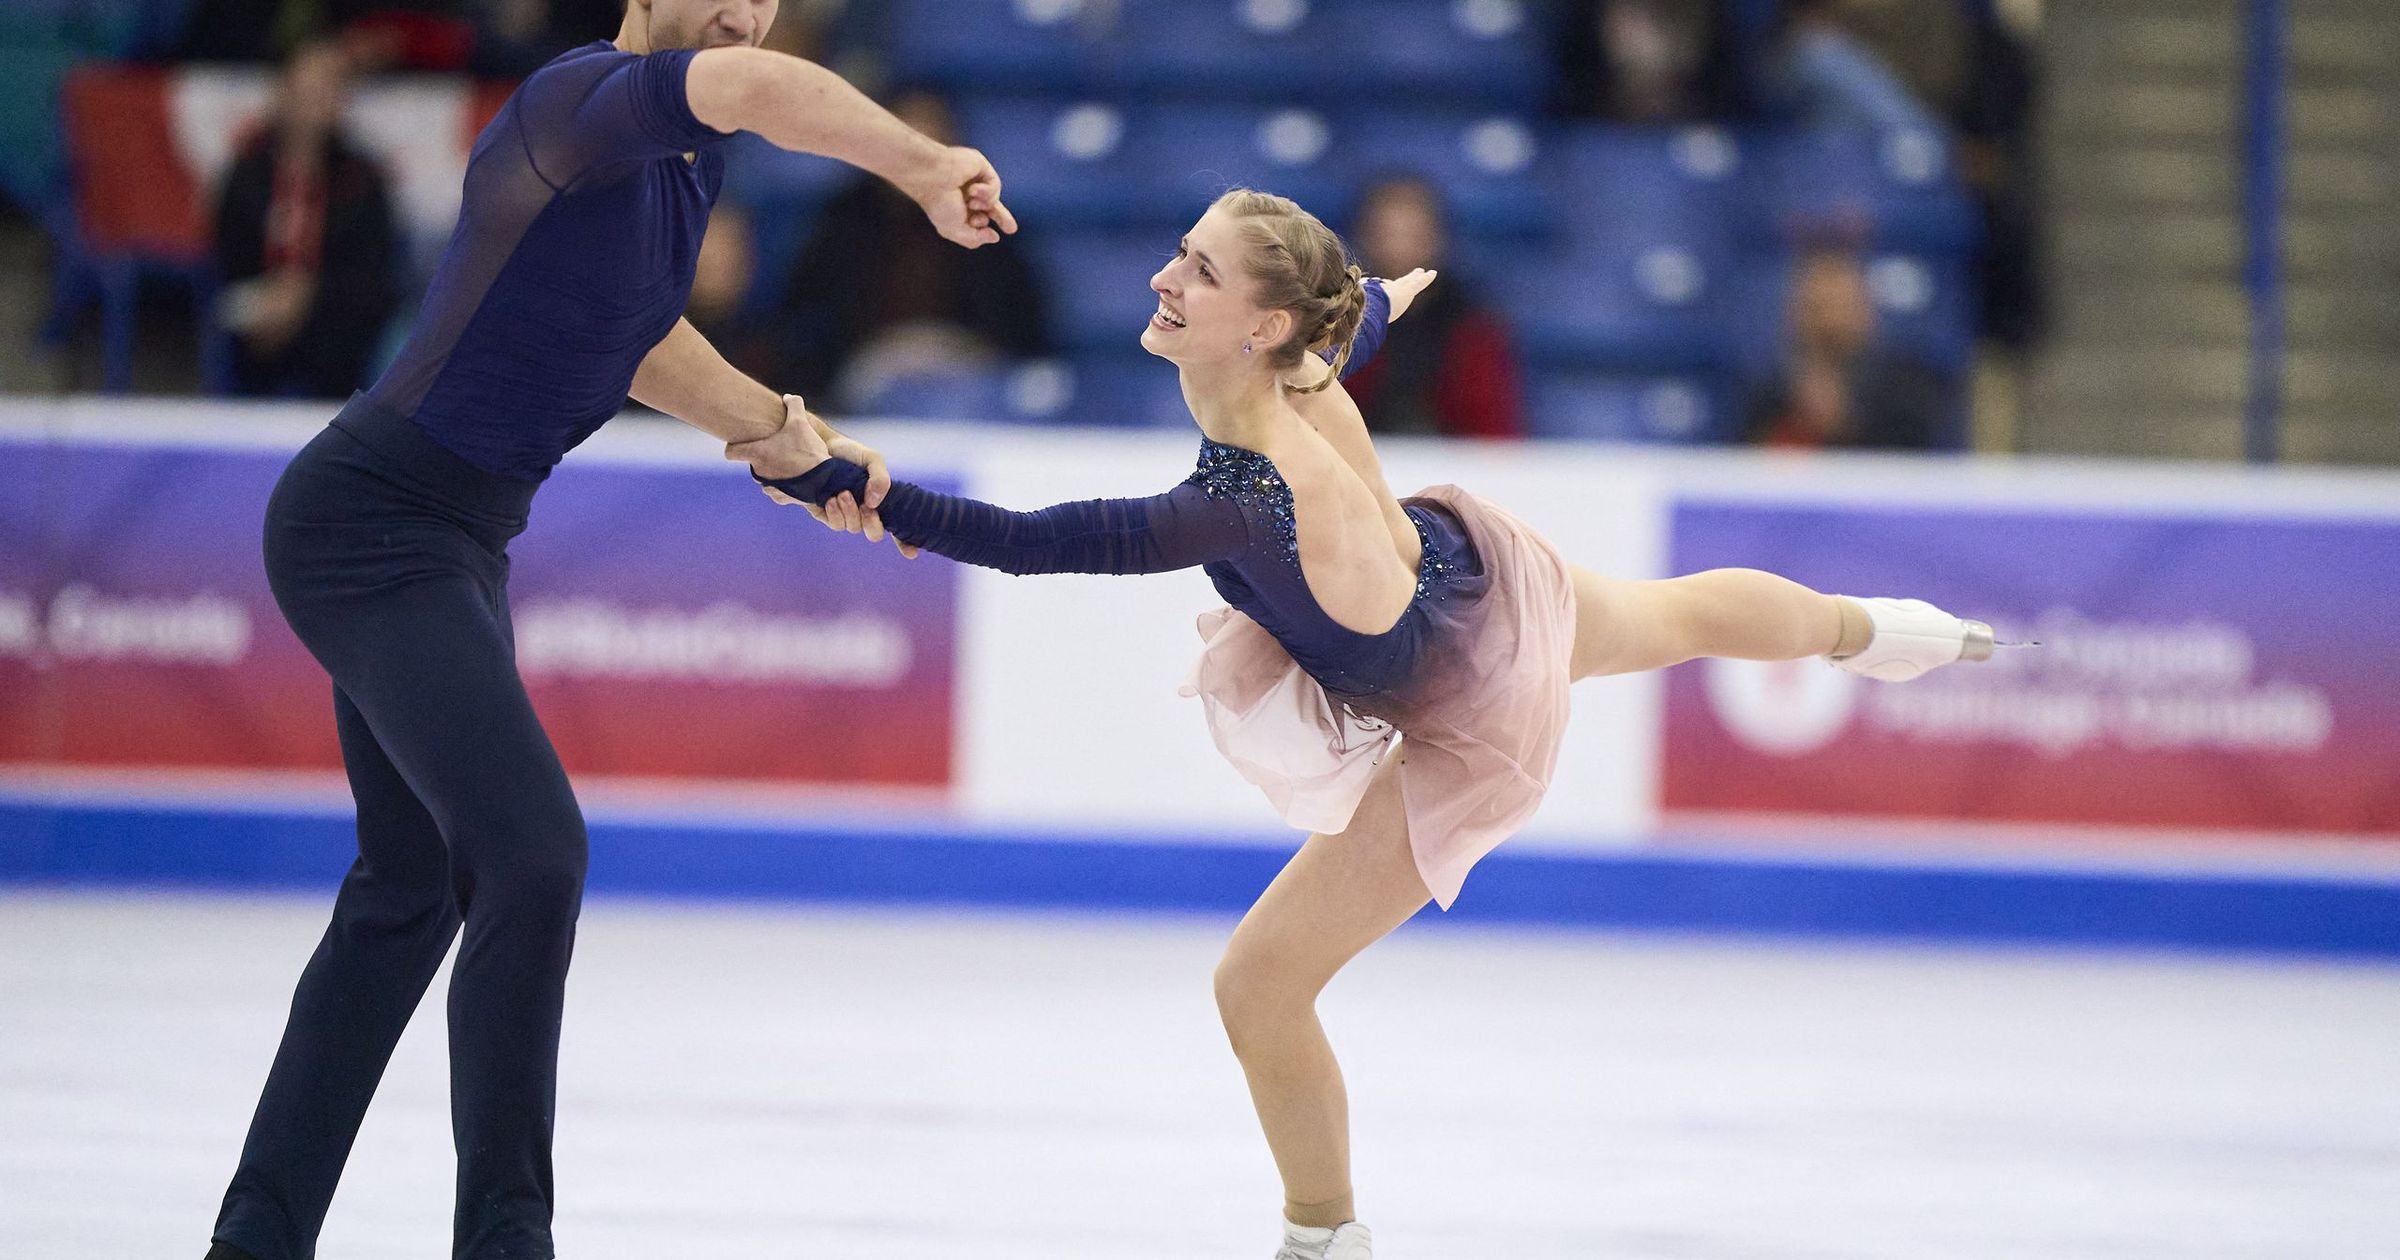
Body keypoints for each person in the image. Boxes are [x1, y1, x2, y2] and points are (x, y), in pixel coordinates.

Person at [744, 189, 1997, 1259]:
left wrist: (861, 485)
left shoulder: (1240, 496)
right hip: (1477, 581)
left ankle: (1324, 1235)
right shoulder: (1292, 368)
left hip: (1462, 695)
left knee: (1259, 984)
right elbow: (1352, 327)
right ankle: (1871, 630)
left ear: (1263, 323)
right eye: (1181, 253)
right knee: (1671, 618)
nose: (1164, 276)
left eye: (1199, 270)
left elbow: (1036, 544)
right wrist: (1382, 294)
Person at [202, 0, 1014, 1253]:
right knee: (529, 857)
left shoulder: (679, 170)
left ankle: (256, 1235)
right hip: (372, 526)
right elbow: (751, 87)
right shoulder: (578, 104)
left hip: (456, 543)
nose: (748, 11)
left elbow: (633, 338)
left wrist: (788, 444)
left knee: (410, 888)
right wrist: (921, 162)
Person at [765, 86, 1054, 409]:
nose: (915, 157)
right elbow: (806, 313)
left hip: (967, 368)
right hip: (866, 370)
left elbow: (1021, 317)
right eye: (906, 137)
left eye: (927, 138)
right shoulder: (842, 219)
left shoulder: (986, 218)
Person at [212, 40, 400, 399]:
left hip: (336, 334)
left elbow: (375, 275)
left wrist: (307, 297)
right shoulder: (247, 173)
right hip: (255, 331)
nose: (315, 98)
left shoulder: (363, 180)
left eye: (328, 86)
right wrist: (263, 302)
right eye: (306, 86)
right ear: (282, 91)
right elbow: (225, 257)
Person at [1341, 174, 1519, 439]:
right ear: (1365, 237)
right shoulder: (1336, 322)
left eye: (1413, 236)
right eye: (1388, 235)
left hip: (1455, 467)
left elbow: (1492, 433)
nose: (1399, 249)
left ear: (1437, 238)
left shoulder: (1473, 329)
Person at [1743, 246, 1951, 449]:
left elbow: (1917, 464)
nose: (1829, 321)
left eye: (1840, 305)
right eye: (1818, 307)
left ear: (1866, 312)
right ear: (1795, 314)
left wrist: (1847, 419)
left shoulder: (1907, 391)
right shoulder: (1768, 394)